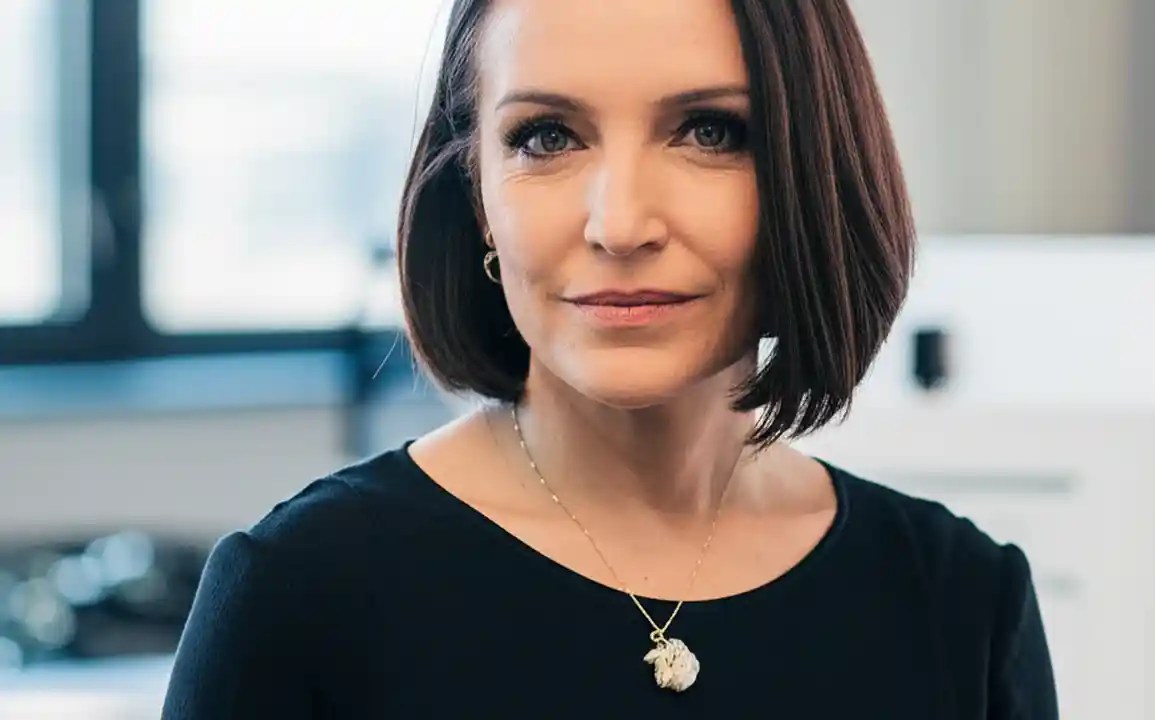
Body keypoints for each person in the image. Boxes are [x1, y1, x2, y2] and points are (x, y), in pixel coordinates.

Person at [162, 0, 1058, 717]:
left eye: (710, 131)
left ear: (808, 167)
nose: (620, 224)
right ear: (477, 195)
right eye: (546, 137)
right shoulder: (299, 595)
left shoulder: (962, 604)